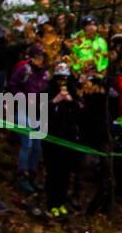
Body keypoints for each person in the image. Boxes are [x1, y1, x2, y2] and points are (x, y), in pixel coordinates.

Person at [7, 43, 49, 193]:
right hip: (22, 110)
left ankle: (32, 174)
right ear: (31, 57)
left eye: (42, 57)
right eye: (37, 57)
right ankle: (21, 175)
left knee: (38, 146)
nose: (40, 60)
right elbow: (12, 85)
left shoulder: (45, 74)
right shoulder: (24, 70)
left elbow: (47, 89)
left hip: (38, 112)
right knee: (28, 143)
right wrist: (24, 98)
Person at [43, 63, 82, 217]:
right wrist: (55, 101)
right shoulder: (48, 92)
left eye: (65, 78)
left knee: (65, 174)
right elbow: (39, 110)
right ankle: (52, 203)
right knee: (53, 173)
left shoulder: (73, 93)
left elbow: (80, 113)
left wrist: (71, 100)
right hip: (52, 140)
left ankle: (62, 202)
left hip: (69, 139)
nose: (63, 81)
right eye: (60, 78)